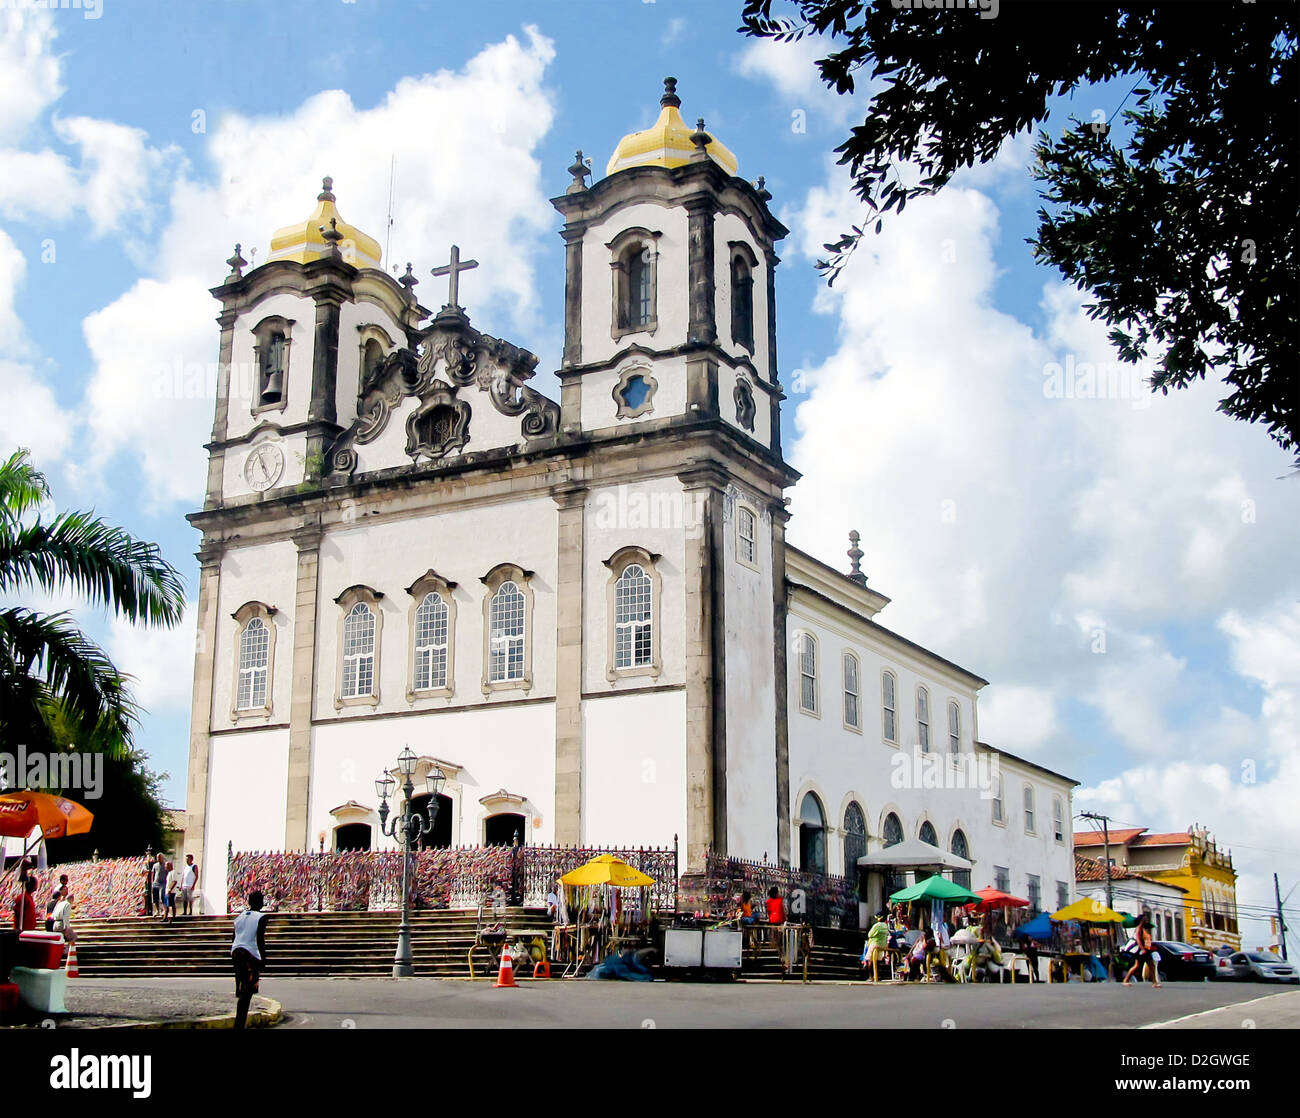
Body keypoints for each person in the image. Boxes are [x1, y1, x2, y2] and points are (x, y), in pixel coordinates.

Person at [231, 890, 270, 1030]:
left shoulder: (239, 917)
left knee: (242, 990)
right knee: (247, 992)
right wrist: (263, 959)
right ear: (260, 903)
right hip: (250, 954)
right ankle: (239, 1024)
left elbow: (234, 936)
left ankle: (240, 1022)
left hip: (236, 951)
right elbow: (260, 939)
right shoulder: (262, 917)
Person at [1122, 912, 1161, 988]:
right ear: (1141, 920)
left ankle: (1154, 982)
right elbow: (1138, 940)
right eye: (1145, 919)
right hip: (1142, 951)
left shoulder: (1143, 928)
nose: (1146, 920)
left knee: (1149, 965)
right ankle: (1126, 980)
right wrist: (1143, 949)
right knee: (1141, 966)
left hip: (1146, 949)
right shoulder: (1139, 928)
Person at [863, 910, 891, 982]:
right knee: (877, 961)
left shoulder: (877, 925)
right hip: (882, 945)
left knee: (870, 961)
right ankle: (877, 976)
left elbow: (870, 934)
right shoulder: (885, 926)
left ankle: (871, 976)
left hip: (874, 944)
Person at [150, 853, 167, 919]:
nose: (158, 859)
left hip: (163, 883)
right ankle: (157, 910)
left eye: (159, 857)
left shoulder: (165, 864)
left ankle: (163, 910)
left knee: (162, 896)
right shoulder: (155, 865)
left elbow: (167, 873)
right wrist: (152, 882)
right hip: (156, 883)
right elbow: (153, 874)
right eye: (157, 858)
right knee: (155, 897)